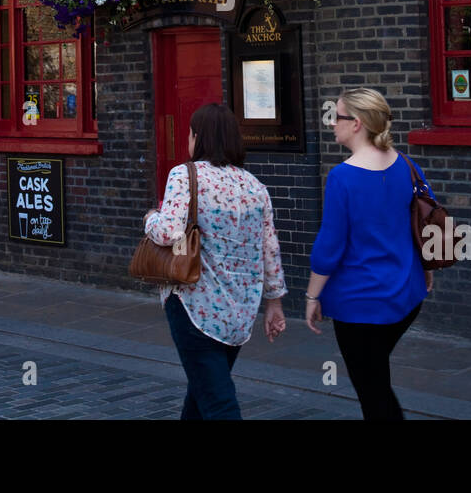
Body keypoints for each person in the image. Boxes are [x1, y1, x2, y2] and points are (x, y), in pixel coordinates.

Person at [143, 103, 287, 419]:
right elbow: (270, 250)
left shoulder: (184, 174)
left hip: (194, 304)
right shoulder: (255, 188)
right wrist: (274, 303)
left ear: (197, 137)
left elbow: (168, 231)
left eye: (190, 134)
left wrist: (151, 218)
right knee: (203, 393)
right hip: (240, 311)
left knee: (219, 403)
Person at [306, 87, 431, 420]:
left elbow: (330, 246)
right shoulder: (407, 164)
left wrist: (312, 295)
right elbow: (426, 224)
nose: (331, 122)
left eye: (337, 116)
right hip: (407, 295)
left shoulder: (343, 177)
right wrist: (427, 271)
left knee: (372, 392)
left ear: (357, 123)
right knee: (375, 378)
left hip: (360, 304)